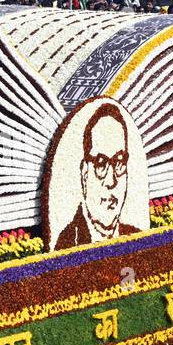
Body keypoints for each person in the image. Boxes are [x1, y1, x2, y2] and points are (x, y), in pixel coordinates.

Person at [54, 102, 140, 250]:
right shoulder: (66, 245)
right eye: (101, 164)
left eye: (119, 163)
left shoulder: (136, 238)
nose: (111, 181)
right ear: (84, 173)